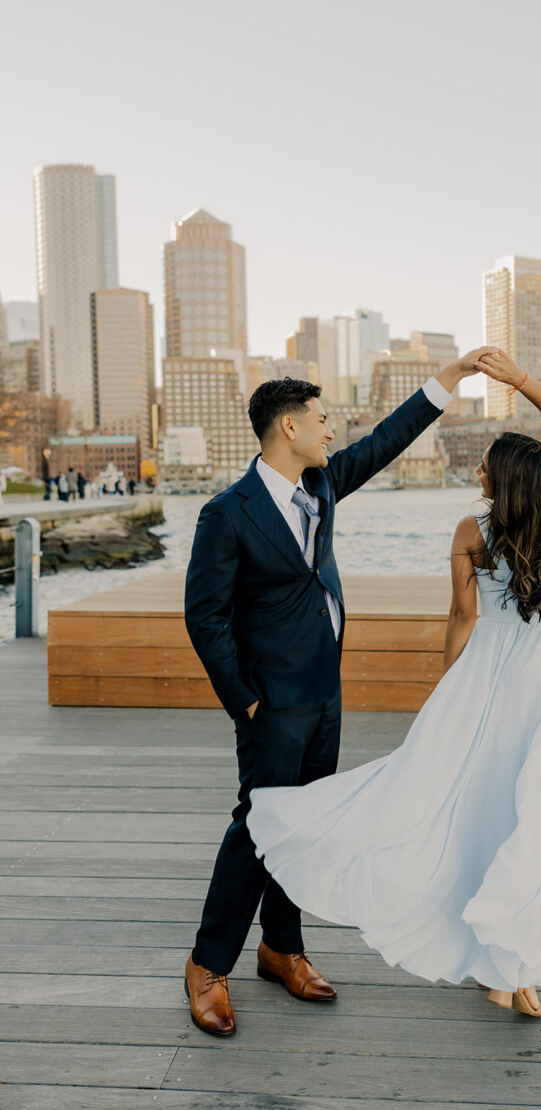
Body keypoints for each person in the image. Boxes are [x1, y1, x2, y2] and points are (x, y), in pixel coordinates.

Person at [246, 350, 541, 1019]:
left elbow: (462, 618)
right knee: (532, 823)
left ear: (499, 483)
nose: (477, 468)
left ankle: (508, 966)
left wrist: (445, 696)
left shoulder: (471, 531)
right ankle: (511, 967)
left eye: (486, 461)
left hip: (485, 683)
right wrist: (521, 381)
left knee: (479, 813)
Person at [183, 350, 494, 1036]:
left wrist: (449, 379)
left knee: (310, 823)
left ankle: (282, 948)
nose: (332, 432)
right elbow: (203, 618)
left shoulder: (321, 486)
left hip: (325, 693)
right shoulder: (226, 515)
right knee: (258, 828)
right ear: (287, 428)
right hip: (271, 702)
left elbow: (385, 442)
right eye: (322, 420)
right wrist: (246, 701)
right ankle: (208, 965)